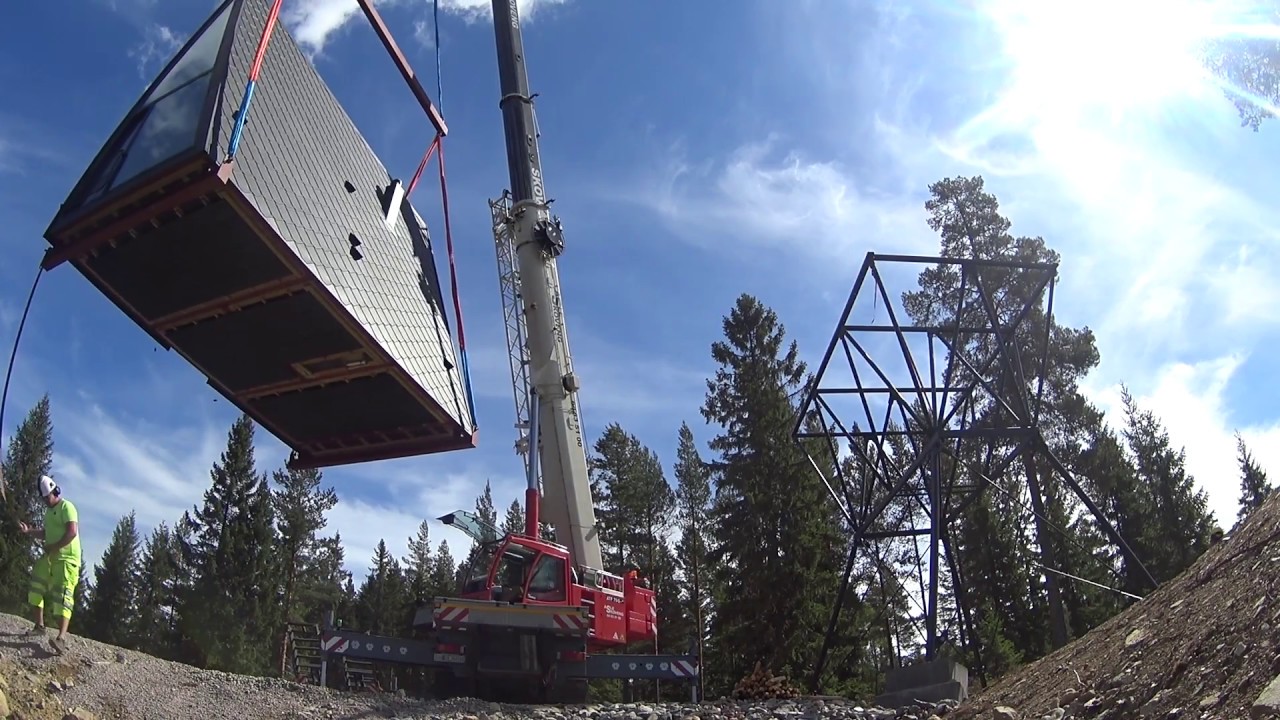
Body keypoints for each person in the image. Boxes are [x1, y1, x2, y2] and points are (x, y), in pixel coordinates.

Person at [18, 474, 81, 654]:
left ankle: (61, 638)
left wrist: (54, 547)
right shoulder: (48, 512)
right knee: (36, 585)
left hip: (67, 559)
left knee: (63, 596)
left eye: (47, 497)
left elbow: (72, 532)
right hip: (51, 558)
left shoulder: (67, 507)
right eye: (44, 499)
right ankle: (39, 626)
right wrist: (29, 531)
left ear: (55, 492)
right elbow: (46, 533)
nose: (45, 501)